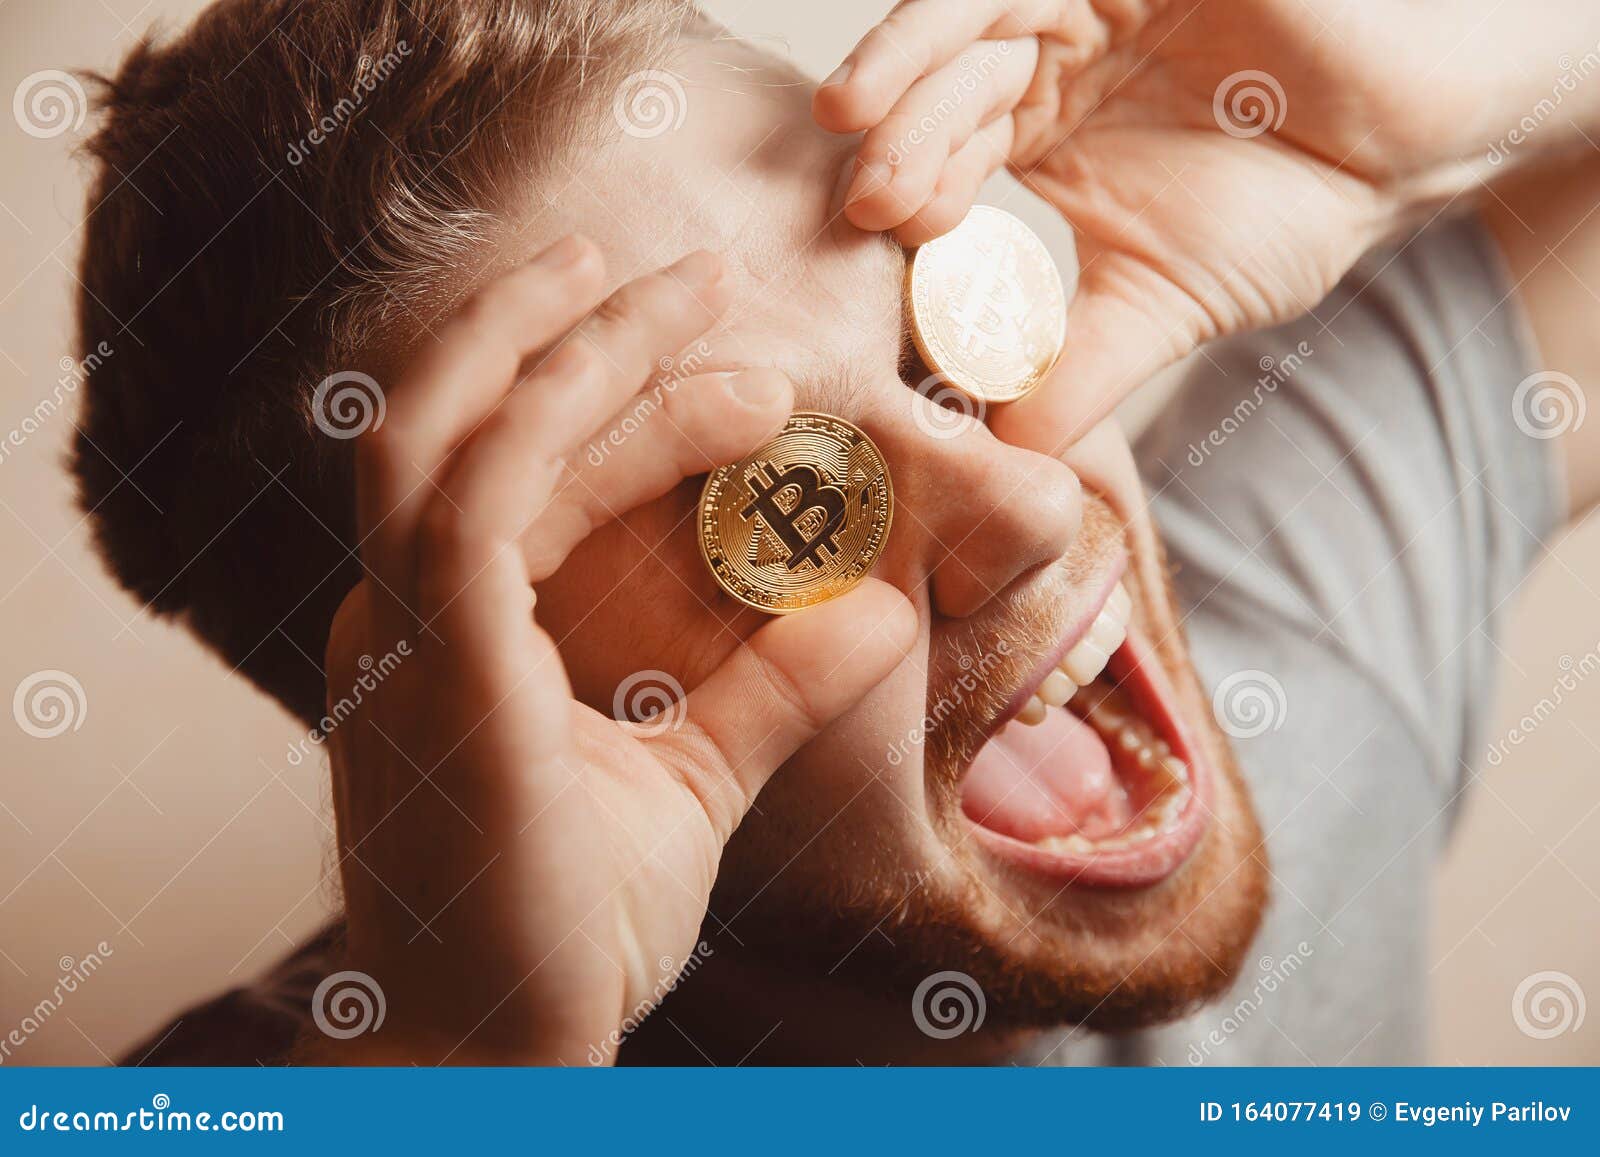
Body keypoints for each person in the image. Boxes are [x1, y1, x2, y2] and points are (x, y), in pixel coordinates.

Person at [71, 0, 1599, 1065]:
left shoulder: (1300, 619)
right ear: (431, 723)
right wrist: (464, 1065)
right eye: (781, 507)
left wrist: (1430, 103)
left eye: (951, 345)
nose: (1038, 501)